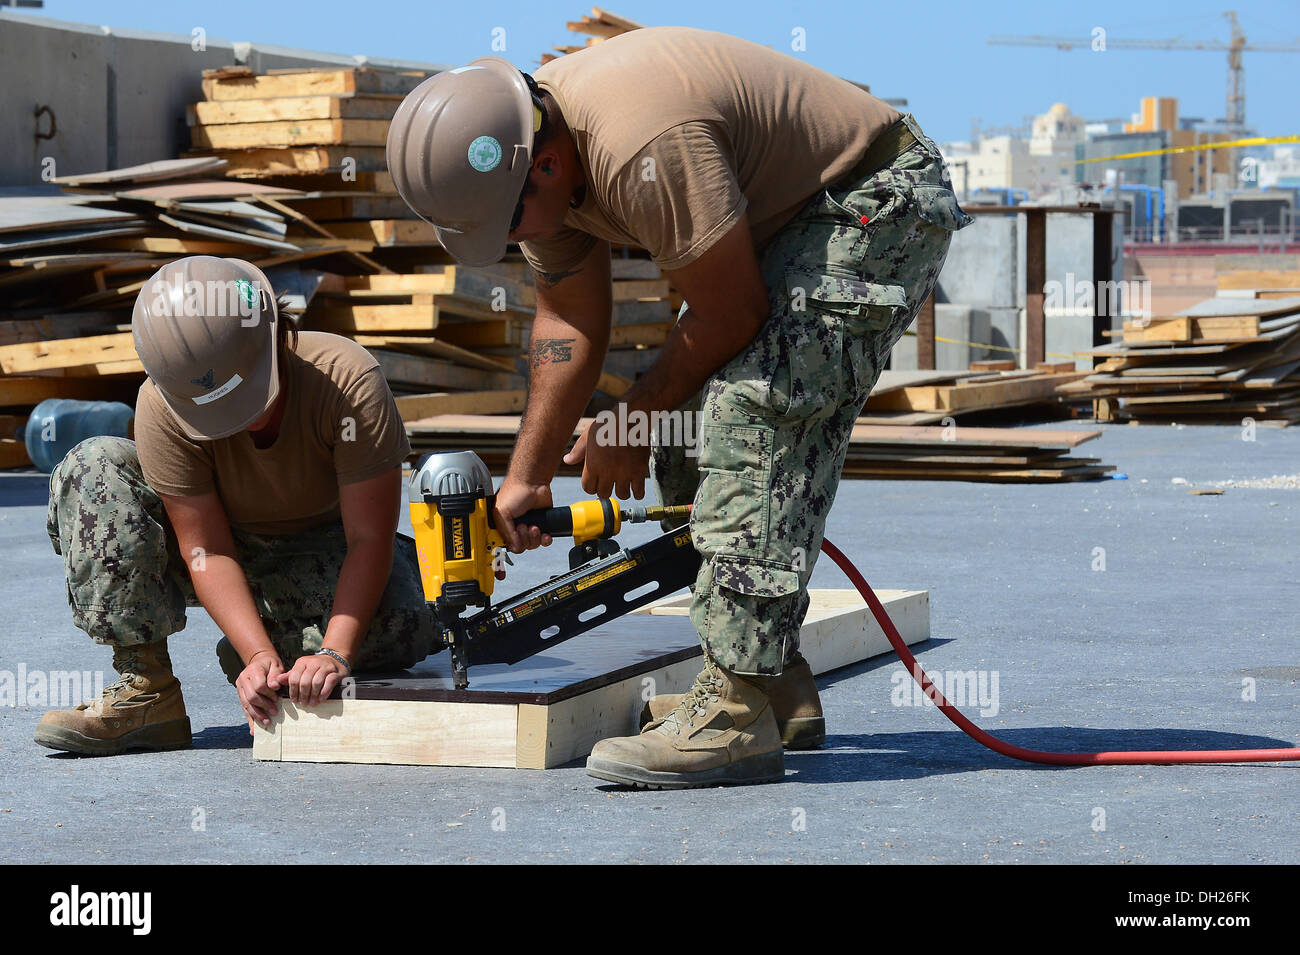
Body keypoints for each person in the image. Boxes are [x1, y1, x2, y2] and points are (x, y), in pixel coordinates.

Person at [387, 26, 972, 788]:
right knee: (686, 430)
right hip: (792, 220)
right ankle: (770, 678)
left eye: (508, 228)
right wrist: (526, 476)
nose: (513, 243)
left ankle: (732, 713)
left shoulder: (640, 145)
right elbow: (569, 322)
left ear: (550, 166)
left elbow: (732, 310)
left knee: (751, 412)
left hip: (873, 197)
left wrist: (633, 416)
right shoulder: (534, 160)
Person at [35, 256, 439, 755]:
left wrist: (335, 652)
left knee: (409, 622)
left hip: (323, 553)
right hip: (214, 552)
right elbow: (206, 548)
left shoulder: (346, 381)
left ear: (276, 335)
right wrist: (259, 653)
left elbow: (368, 539)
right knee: (94, 466)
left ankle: (291, 650)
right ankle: (147, 691)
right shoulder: (163, 404)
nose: (239, 421)